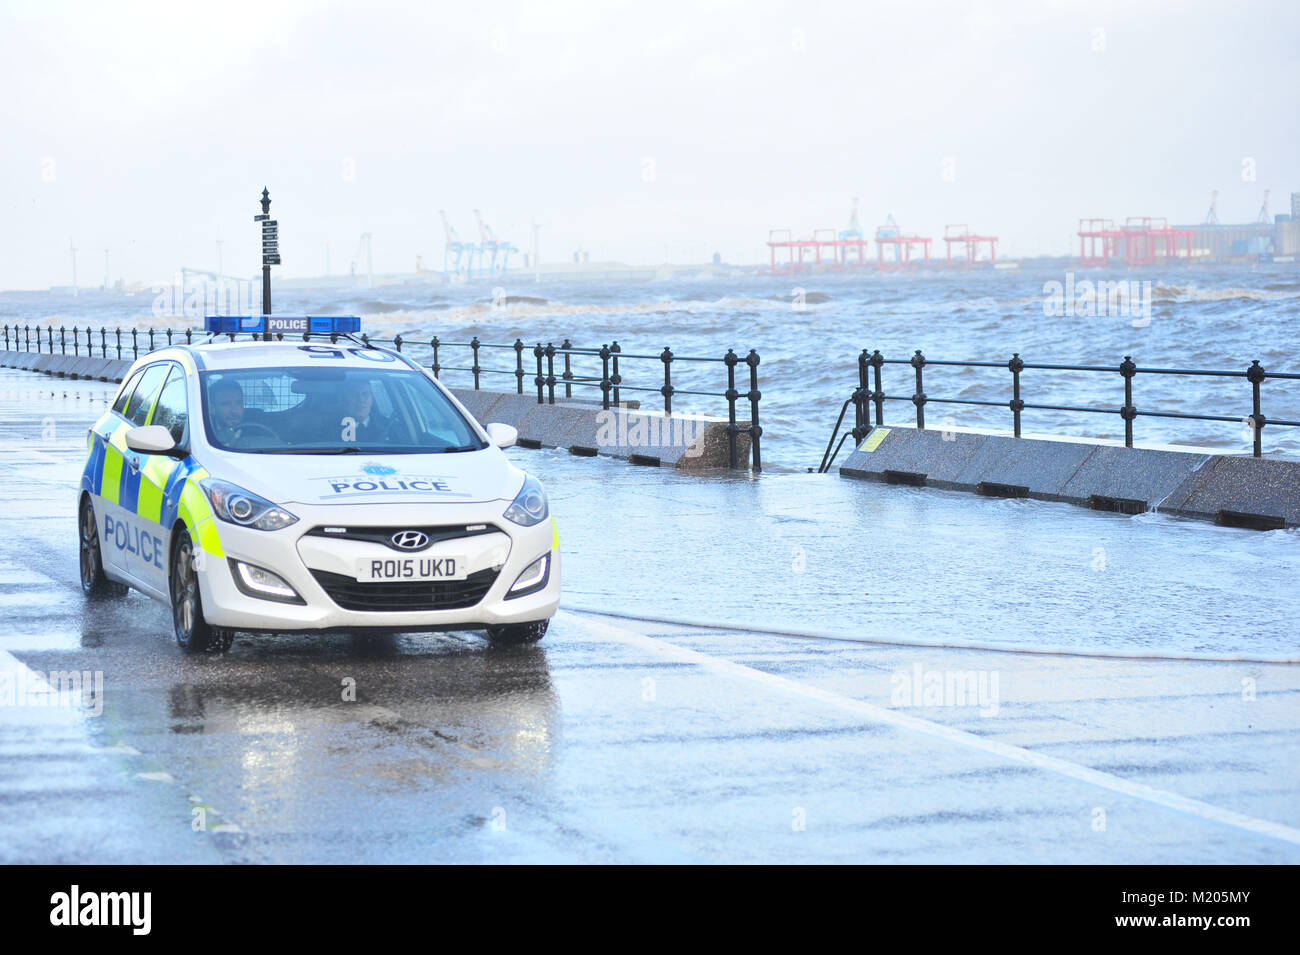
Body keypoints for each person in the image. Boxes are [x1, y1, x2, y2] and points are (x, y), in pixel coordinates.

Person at [340, 378, 389, 444]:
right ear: (344, 400)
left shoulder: (388, 426)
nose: (361, 399)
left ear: (372, 400)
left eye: (365, 394)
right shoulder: (327, 429)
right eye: (354, 394)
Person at [209, 379, 246, 445]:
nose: (234, 410)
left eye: (238, 403)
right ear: (212, 409)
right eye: (226, 404)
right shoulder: (205, 432)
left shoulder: (259, 429)